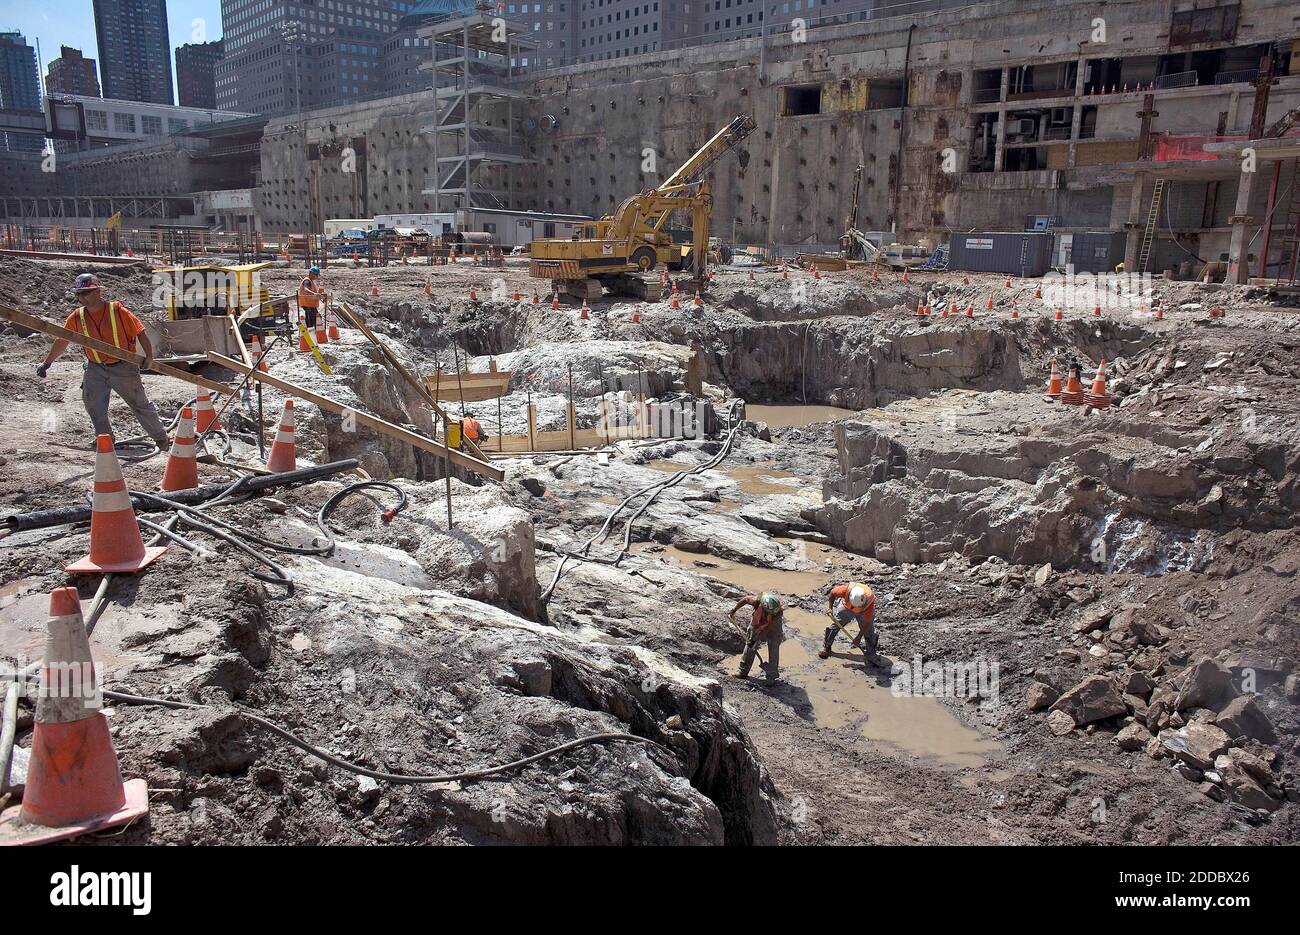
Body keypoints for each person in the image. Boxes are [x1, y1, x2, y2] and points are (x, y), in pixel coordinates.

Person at [36, 273, 170, 450]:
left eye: (87, 292)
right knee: (93, 403)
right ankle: (104, 438)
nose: (83, 297)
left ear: (98, 291)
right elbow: (62, 340)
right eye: (80, 294)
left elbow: (140, 332)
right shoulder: (77, 317)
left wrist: (149, 356)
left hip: (123, 367)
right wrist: (47, 363)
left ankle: (161, 438)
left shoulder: (117, 311)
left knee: (139, 403)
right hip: (95, 367)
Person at [730, 592, 784, 684]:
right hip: (756, 621)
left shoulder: (777, 613)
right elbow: (745, 599)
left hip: (773, 627)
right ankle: (742, 671)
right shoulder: (756, 601)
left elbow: (766, 629)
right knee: (750, 642)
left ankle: (771, 677)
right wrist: (734, 610)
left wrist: (756, 639)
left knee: (774, 645)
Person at [821, 581, 877, 660]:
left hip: (863, 611)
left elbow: (867, 622)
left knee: (869, 631)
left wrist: (858, 637)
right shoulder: (845, 590)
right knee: (837, 624)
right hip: (847, 607)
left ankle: (871, 653)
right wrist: (830, 608)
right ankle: (827, 646)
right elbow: (832, 594)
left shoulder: (869, 601)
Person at [298, 266, 326, 330]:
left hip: (311, 305)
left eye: (317, 275)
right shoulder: (307, 281)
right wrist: (314, 294)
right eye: (315, 274)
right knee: (311, 321)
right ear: (310, 273)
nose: (316, 276)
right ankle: (310, 335)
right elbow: (305, 289)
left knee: (317, 319)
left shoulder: (311, 281)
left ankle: (315, 334)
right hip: (307, 305)